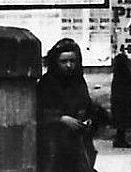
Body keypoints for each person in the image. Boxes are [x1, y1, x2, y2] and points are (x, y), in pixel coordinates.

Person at [36, 38, 107, 172]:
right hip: (55, 143)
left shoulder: (79, 81)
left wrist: (90, 118)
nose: (69, 65)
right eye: (64, 61)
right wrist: (61, 119)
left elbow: (87, 104)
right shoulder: (47, 83)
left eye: (72, 61)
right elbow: (38, 111)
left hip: (78, 142)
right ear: (56, 62)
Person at [109, 52, 131, 148]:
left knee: (121, 123)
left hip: (118, 101)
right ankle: (120, 140)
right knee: (124, 122)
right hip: (124, 102)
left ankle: (119, 139)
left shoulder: (116, 74)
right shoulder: (124, 73)